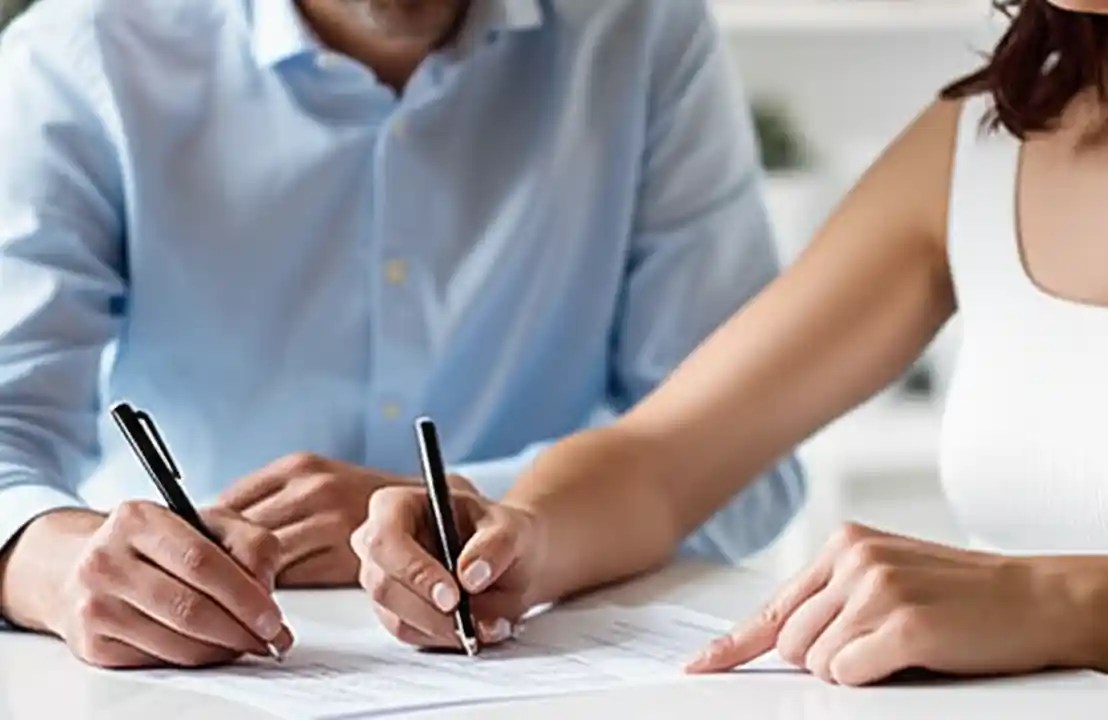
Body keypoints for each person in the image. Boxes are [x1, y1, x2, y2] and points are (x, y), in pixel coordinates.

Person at [352, 0, 1108, 716]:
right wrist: (518, 535)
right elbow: (669, 454)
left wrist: (1059, 602)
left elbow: (1047, 602)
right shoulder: (984, 143)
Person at [0, 0, 806, 668]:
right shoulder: (80, 57)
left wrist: (474, 510)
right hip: (169, 670)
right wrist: (58, 566)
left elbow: (745, 467)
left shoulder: (642, 37)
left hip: (539, 666)